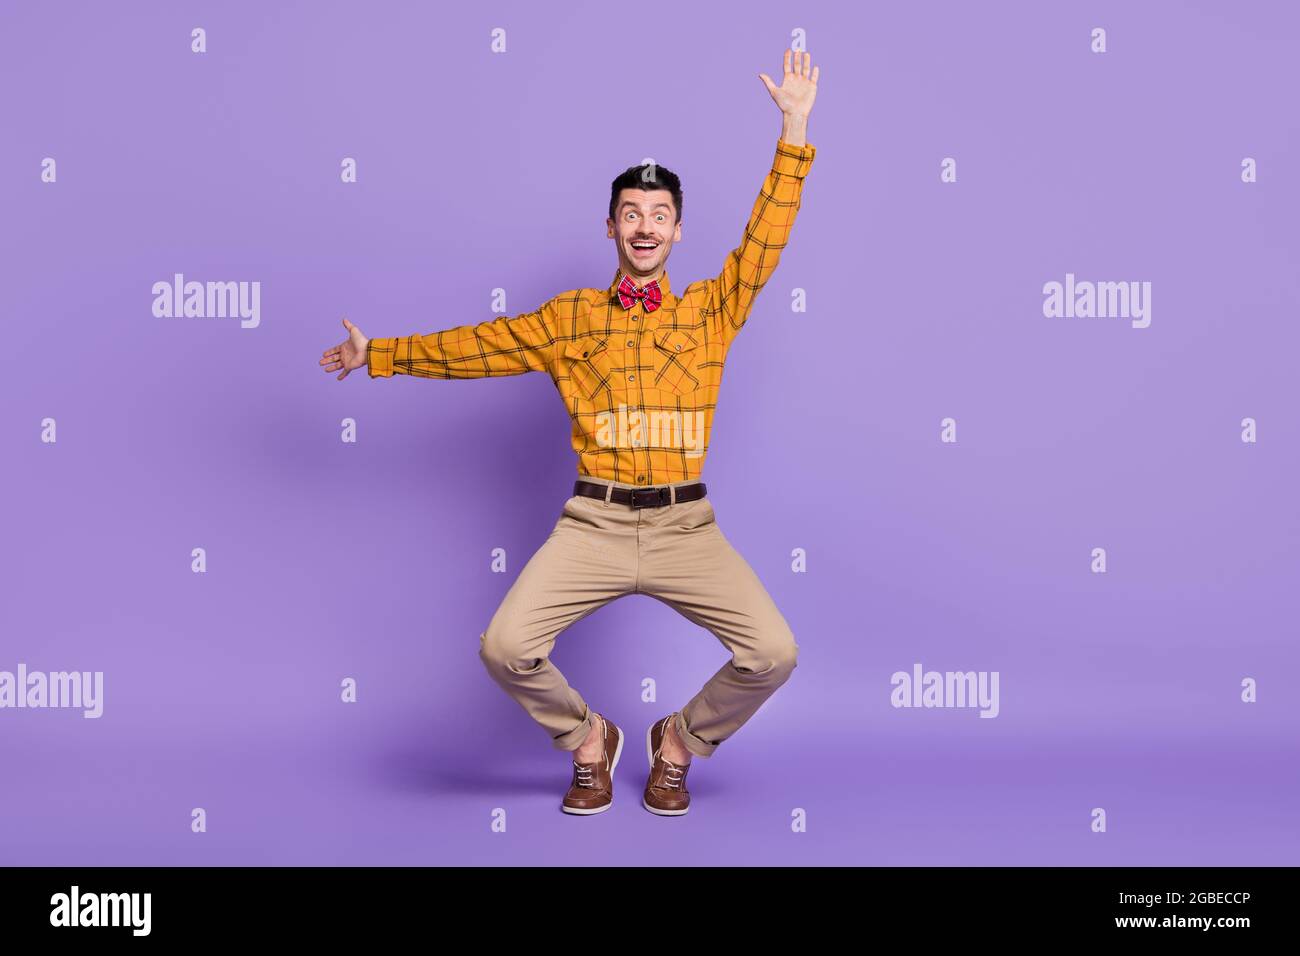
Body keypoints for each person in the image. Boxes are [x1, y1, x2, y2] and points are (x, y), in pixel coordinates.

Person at [321, 48, 819, 816]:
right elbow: (477, 347)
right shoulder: (570, 316)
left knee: (773, 653)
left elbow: (764, 244)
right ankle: (590, 743)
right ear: (612, 226)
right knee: (505, 647)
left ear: (678, 232)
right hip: (595, 523)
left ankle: (677, 745)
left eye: (659, 215)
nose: (644, 227)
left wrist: (792, 130)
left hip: (688, 526)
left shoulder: (711, 313)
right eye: (632, 214)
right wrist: (378, 354)